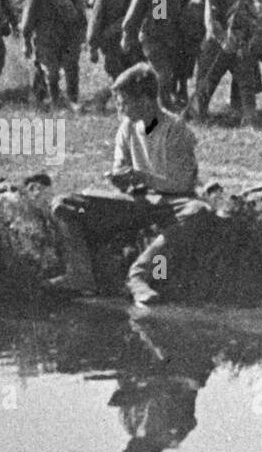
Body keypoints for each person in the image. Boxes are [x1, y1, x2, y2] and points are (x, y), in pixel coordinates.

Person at [49, 62, 199, 303]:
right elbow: (122, 170)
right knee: (63, 204)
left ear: (147, 100)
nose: (120, 107)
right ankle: (80, 273)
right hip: (138, 200)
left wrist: (142, 176)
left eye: (125, 101)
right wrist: (120, 179)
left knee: (198, 212)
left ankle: (140, 275)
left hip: (171, 202)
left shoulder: (175, 130)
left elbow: (182, 185)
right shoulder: (127, 128)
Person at [121, 0, 189, 110]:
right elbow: (134, 12)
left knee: (162, 74)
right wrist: (127, 35)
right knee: (163, 73)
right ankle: (163, 107)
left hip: (172, 38)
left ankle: (141, 100)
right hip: (153, 38)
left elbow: (181, 8)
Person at [21, 0, 85, 109]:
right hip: (45, 36)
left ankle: (71, 100)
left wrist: (80, 35)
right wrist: (26, 40)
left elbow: (77, 13)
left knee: (70, 69)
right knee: (52, 72)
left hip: (65, 36)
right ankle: (55, 102)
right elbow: (29, 15)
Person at [88, 0, 138, 84]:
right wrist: (93, 48)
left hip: (129, 41)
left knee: (133, 73)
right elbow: (95, 22)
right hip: (111, 42)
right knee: (117, 73)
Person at [57, 0, 88, 105]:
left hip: (72, 35)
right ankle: (45, 97)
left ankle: (72, 98)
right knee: (50, 67)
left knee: (72, 67)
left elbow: (81, 12)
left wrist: (84, 33)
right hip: (55, 34)